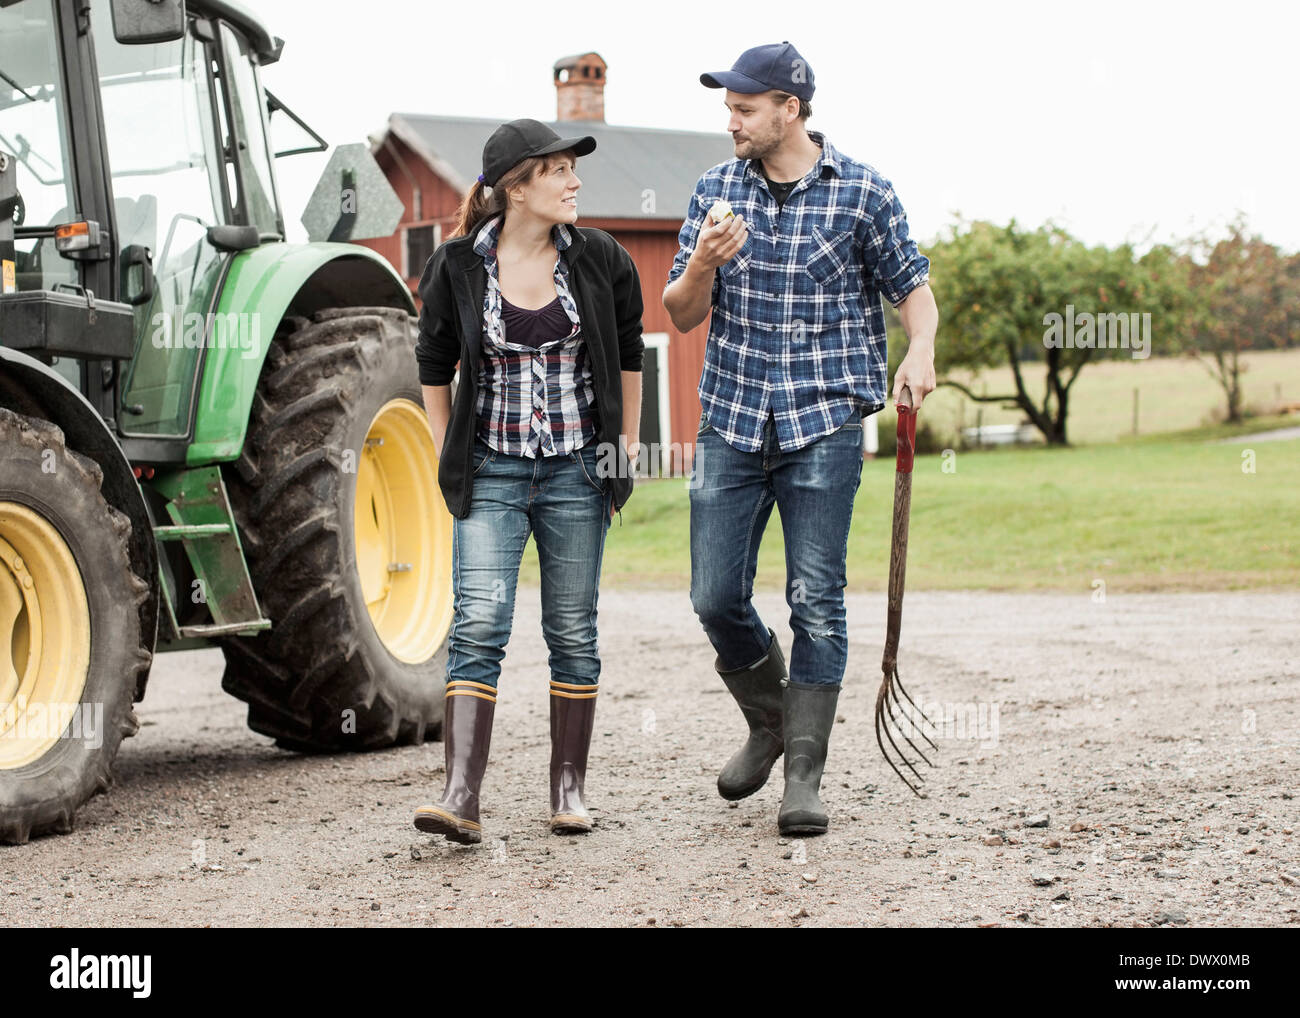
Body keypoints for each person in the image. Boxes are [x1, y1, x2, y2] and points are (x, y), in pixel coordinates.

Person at [663, 42, 939, 836]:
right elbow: (680, 312)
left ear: (791, 108)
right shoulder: (714, 192)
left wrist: (918, 350)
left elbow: (914, 294)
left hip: (824, 422)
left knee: (816, 598)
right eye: (729, 107)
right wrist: (705, 266)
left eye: (745, 107)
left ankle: (805, 777)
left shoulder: (862, 192)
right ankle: (772, 722)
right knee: (714, 594)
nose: (732, 121)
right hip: (733, 419)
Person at [412, 118, 644, 843]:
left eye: (574, 171)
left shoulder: (600, 258)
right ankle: (460, 795)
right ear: (516, 187)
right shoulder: (456, 267)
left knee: (573, 629)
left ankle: (568, 790)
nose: (575, 182)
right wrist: (444, 450)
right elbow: (433, 365)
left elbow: (630, 349)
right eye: (559, 172)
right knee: (479, 623)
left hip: (578, 470)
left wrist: (624, 448)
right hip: (493, 473)